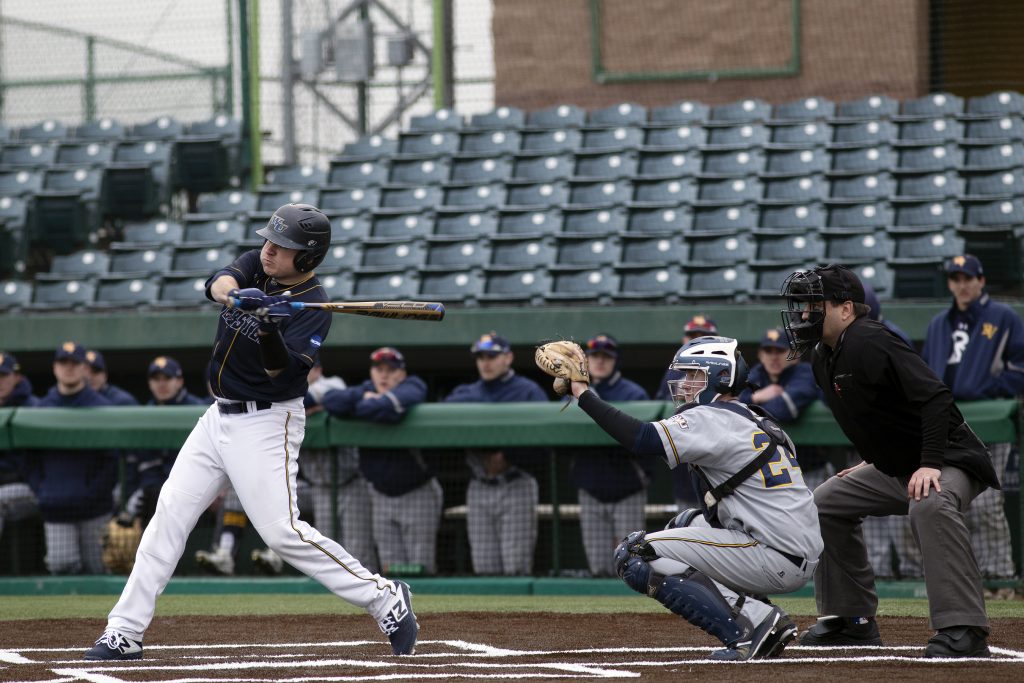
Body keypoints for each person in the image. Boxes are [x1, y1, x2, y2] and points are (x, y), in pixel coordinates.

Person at [85, 204, 417, 661]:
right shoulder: (255, 266)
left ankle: (385, 598)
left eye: (282, 248)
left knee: (282, 533)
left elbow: (281, 375)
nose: (269, 251)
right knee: (169, 517)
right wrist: (237, 298)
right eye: (269, 241)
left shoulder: (315, 310)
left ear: (307, 258)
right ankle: (124, 630)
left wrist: (268, 327)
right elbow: (216, 282)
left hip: (267, 422)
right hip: (217, 416)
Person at [781, 263, 998, 658]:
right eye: (803, 306)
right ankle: (852, 620)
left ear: (845, 309)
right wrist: (873, 461)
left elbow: (935, 398)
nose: (804, 314)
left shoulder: (870, 339)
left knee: (928, 504)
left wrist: (930, 463)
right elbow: (880, 414)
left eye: (815, 305)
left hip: (951, 458)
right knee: (823, 502)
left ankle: (964, 627)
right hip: (896, 465)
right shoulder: (822, 355)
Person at [560, 336, 820, 661]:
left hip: (774, 553)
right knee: (685, 522)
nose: (684, 383)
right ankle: (755, 611)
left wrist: (583, 393)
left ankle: (751, 626)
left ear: (720, 378)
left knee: (633, 555)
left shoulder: (712, 416)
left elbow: (641, 439)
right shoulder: (753, 415)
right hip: (792, 546)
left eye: (693, 375)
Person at [921, 254, 1024, 580]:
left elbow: (1020, 367)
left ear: (980, 281)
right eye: (956, 279)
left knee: (987, 504)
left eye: (968, 278)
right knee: (943, 501)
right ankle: (959, 576)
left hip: (988, 419)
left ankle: (998, 576)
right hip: (945, 421)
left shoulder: (1003, 316)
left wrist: (988, 389)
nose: (962, 285)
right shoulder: (939, 323)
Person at [322, 346, 439, 575]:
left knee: (420, 567)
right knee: (390, 569)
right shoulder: (365, 389)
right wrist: (362, 397)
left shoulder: (413, 385)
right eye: (379, 369)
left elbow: (390, 408)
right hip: (380, 496)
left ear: (401, 374)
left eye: (390, 370)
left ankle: (431, 610)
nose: (384, 375)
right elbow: (331, 400)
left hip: (417, 492)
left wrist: (361, 406)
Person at [443, 332, 547, 575]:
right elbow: (445, 428)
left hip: (516, 482)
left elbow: (544, 445)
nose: (485, 362)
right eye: (480, 357)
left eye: (492, 356)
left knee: (516, 565)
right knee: (483, 565)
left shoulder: (527, 391)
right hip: (479, 484)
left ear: (508, 358)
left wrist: (508, 455)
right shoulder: (465, 394)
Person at [28, 341, 118, 575]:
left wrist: (94, 493)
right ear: (55, 368)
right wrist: (42, 490)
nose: (69, 368)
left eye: (74, 363)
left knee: (99, 568)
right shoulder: (41, 410)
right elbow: (29, 460)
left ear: (83, 368)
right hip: (56, 508)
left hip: (95, 509)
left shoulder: (102, 408)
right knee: (61, 566)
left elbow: (111, 462)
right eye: (63, 363)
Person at [568, 334, 652, 577]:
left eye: (606, 357)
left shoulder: (633, 394)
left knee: (631, 562)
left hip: (627, 488)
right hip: (590, 488)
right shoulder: (574, 393)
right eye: (595, 356)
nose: (600, 362)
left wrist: (643, 477)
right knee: (598, 566)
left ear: (615, 360)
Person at [303, 360, 379, 573]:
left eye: (306, 368)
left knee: (359, 551)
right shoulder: (288, 389)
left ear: (318, 370)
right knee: (326, 552)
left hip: (350, 483)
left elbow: (308, 398)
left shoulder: (333, 383)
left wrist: (299, 404)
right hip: (318, 487)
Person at [738, 328, 832, 491]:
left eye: (780, 351)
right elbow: (734, 405)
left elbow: (782, 412)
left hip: (809, 469)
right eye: (768, 351)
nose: (774, 357)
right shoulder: (756, 374)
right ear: (760, 355)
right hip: (770, 473)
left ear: (794, 354)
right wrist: (756, 397)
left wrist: (752, 406)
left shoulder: (805, 372)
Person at [123, 357, 208, 529]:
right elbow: (139, 463)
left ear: (180, 381)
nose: (161, 384)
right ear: (149, 383)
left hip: (193, 491)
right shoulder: (145, 414)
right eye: (156, 379)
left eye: (167, 378)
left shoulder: (199, 410)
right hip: (154, 497)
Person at [655, 315, 719, 511]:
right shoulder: (674, 372)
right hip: (686, 469)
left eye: (703, 336)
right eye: (692, 336)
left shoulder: (721, 369)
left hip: (717, 465)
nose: (695, 341)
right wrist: (679, 400)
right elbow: (660, 406)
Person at [0, 352, 40, 543]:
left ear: (16, 377)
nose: (0, 382)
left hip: (29, 487)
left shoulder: (34, 408)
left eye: (3, 376)